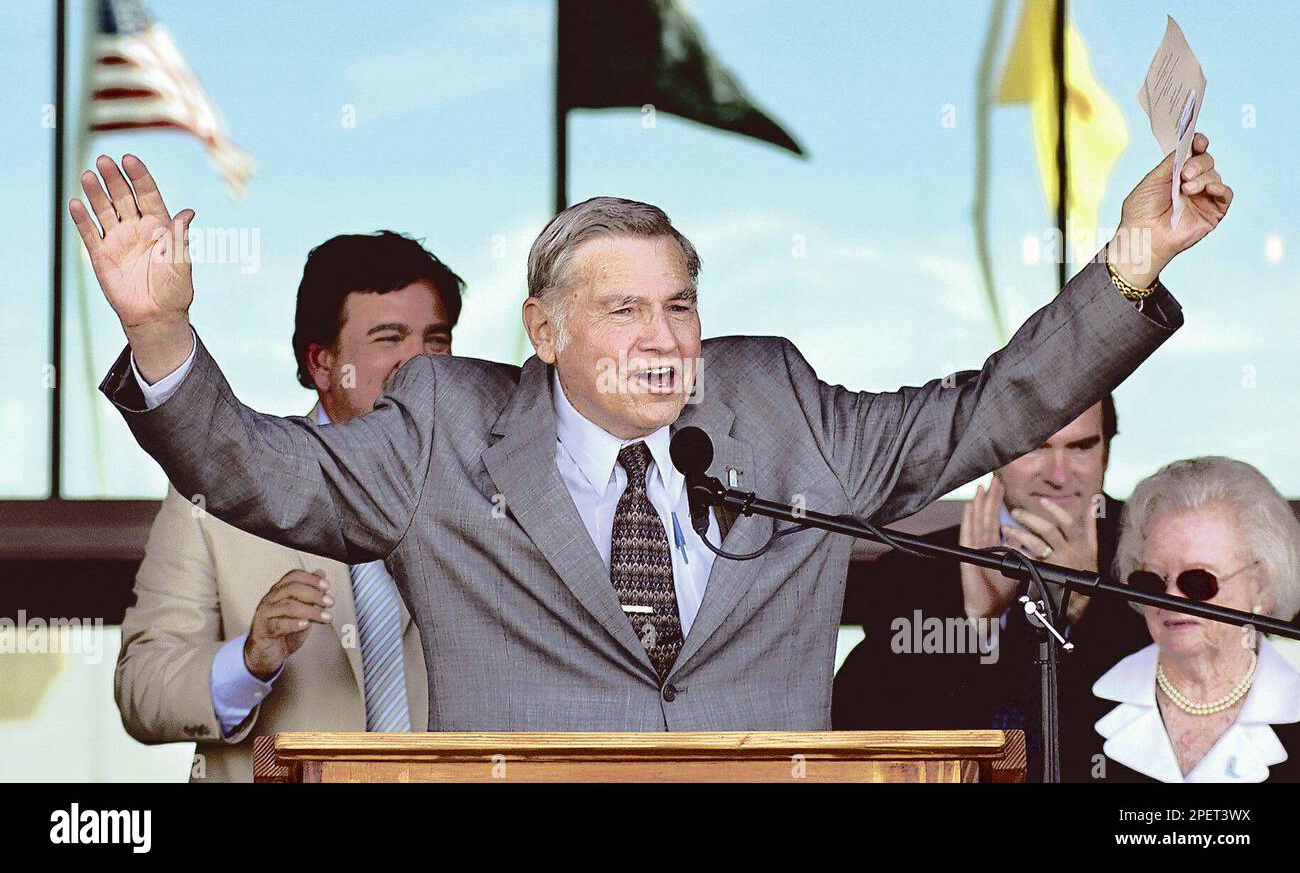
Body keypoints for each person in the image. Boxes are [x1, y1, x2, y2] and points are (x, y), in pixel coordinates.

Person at [70, 136, 1229, 731]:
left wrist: (1131, 264)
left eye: (678, 303)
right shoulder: (443, 423)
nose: (662, 334)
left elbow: (989, 411)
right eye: (622, 309)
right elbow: (260, 476)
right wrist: (165, 330)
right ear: (543, 329)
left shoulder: (775, 406)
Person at [115, 232, 465, 781]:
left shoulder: (490, 491)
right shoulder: (211, 495)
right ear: (322, 363)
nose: (420, 365)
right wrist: (249, 660)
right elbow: (142, 690)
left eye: (436, 340)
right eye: (389, 338)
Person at [834, 399, 1151, 780]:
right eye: (1036, 445)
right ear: (993, 450)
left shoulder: (1155, 559)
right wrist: (976, 625)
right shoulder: (912, 570)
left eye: (1081, 446)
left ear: (1107, 451)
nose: (1059, 475)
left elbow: (1184, 710)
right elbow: (865, 725)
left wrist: (1086, 609)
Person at [1085, 457, 1300, 783]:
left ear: (1262, 586)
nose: (1170, 599)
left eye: (1198, 582)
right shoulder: (1079, 701)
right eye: (1153, 581)